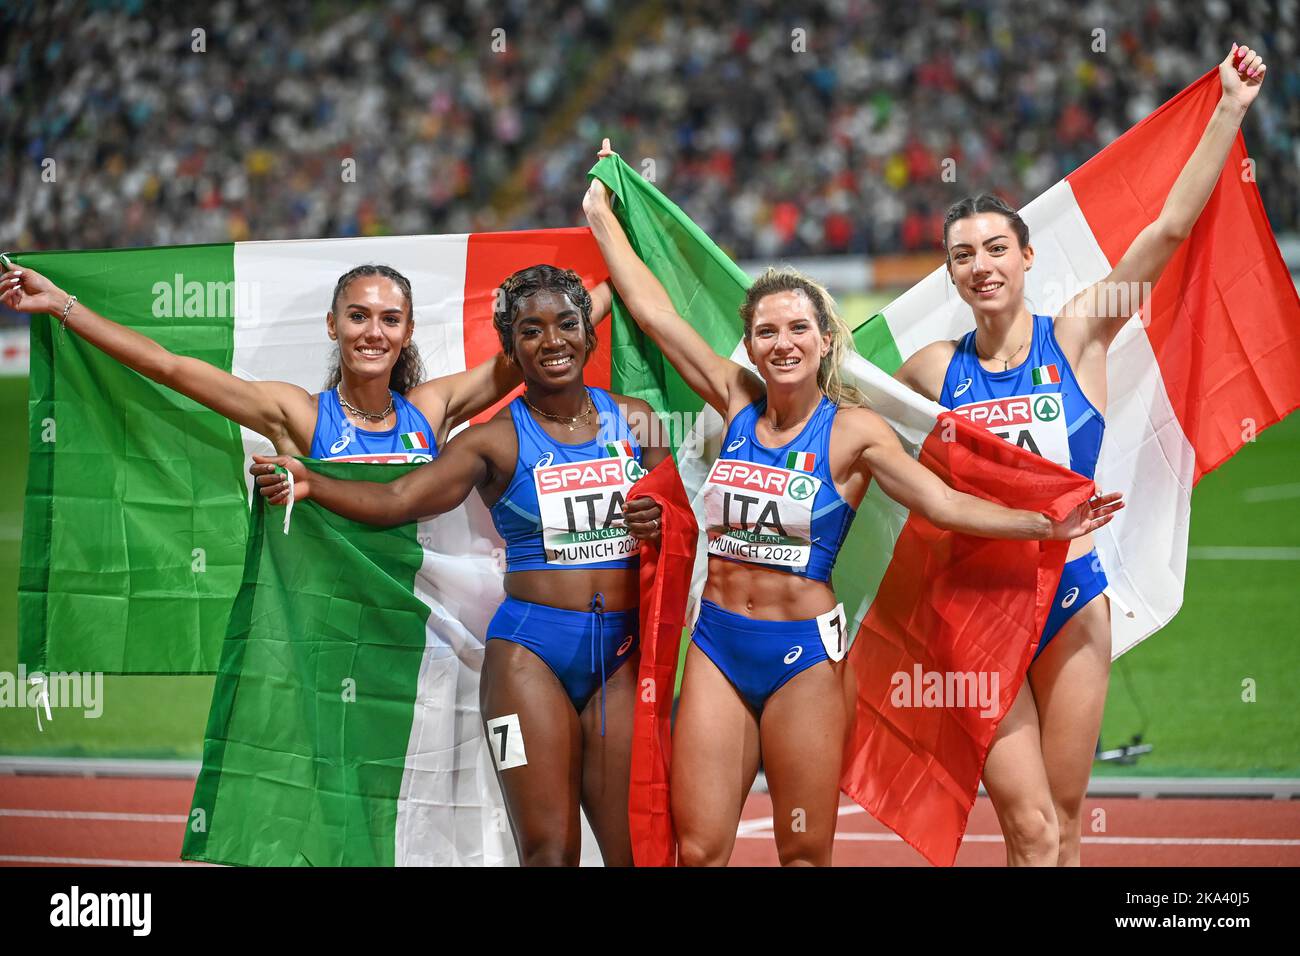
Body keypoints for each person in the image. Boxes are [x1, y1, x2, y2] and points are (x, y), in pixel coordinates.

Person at [582, 145, 1122, 866]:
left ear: (825, 338)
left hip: (805, 657)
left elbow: (944, 502)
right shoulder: (734, 401)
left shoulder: (855, 432)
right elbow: (655, 316)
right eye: (767, 332)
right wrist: (601, 216)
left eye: (799, 329)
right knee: (701, 848)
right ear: (748, 343)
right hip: (715, 645)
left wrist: (1043, 522)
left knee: (805, 851)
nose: (783, 344)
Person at [892, 44, 1267, 866]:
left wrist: (1230, 108)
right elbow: (833, 410)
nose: (982, 265)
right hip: (975, 608)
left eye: (996, 249)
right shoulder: (927, 371)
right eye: (963, 255)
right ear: (951, 276)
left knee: (1062, 828)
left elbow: (1167, 229)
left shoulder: (1079, 336)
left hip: (1072, 598)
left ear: (1028, 258)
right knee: (1026, 826)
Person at [249, 264, 670, 867]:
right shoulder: (488, 442)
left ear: (589, 334)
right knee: (550, 853)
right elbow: (399, 499)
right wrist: (312, 481)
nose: (552, 342)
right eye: (530, 331)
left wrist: (659, 524)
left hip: (622, 662)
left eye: (566, 325)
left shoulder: (640, 422)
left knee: (636, 850)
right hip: (531, 657)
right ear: (510, 348)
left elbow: (680, 524)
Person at [1, 259, 611, 462]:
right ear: (333, 325)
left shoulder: (432, 408)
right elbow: (169, 367)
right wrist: (63, 306)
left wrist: (623, 252)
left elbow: (550, 342)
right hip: (323, 625)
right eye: (358, 316)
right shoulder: (295, 413)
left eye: (389, 319)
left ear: (408, 332)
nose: (373, 332)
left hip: (422, 630)